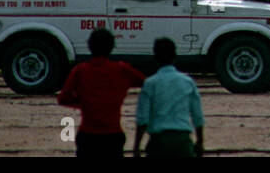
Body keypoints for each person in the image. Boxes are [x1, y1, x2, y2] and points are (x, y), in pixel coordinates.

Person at [57, 28, 146, 157]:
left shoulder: (80, 71)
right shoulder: (121, 70)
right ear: (111, 47)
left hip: (88, 134)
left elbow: (63, 98)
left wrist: (84, 103)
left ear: (90, 46)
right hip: (112, 134)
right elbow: (146, 83)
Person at [134, 37, 204, 158]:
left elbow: (142, 120)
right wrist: (200, 142)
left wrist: (137, 146)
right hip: (182, 141)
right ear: (175, 56)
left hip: (158, 142)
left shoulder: (150, 83)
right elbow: (197, 116)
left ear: (155, 58)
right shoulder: (187, 82)